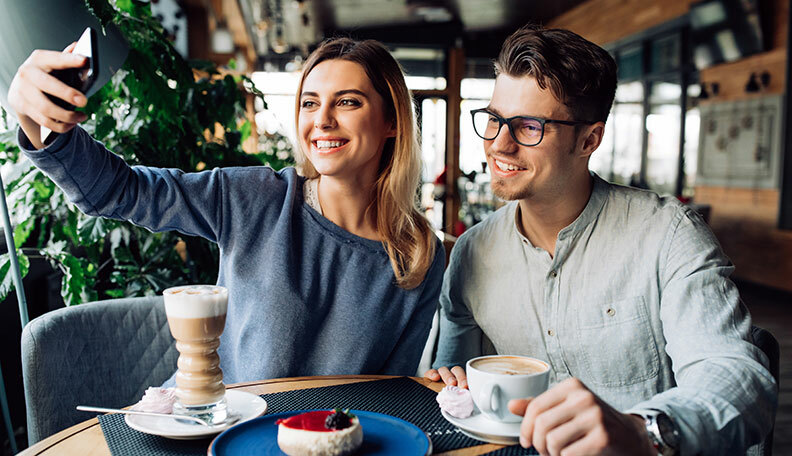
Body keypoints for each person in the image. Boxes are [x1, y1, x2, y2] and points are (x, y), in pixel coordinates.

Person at [424, 25, 776, 455]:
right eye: (495, 120)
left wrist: (643, 433)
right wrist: (451, 380)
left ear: (589, 139)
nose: (499, 144)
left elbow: (740, 379)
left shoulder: (668, 235)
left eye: (529, 126)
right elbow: (451, 384)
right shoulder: (471, 252)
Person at [8, 37, 445, 383]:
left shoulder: (419, 252)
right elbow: (121, 191)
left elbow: (394, 391)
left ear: (392, 122)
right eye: (310, 103)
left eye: (348, 102)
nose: (323, 120)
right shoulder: (255, 196)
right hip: (208, 429)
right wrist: (35, 120)